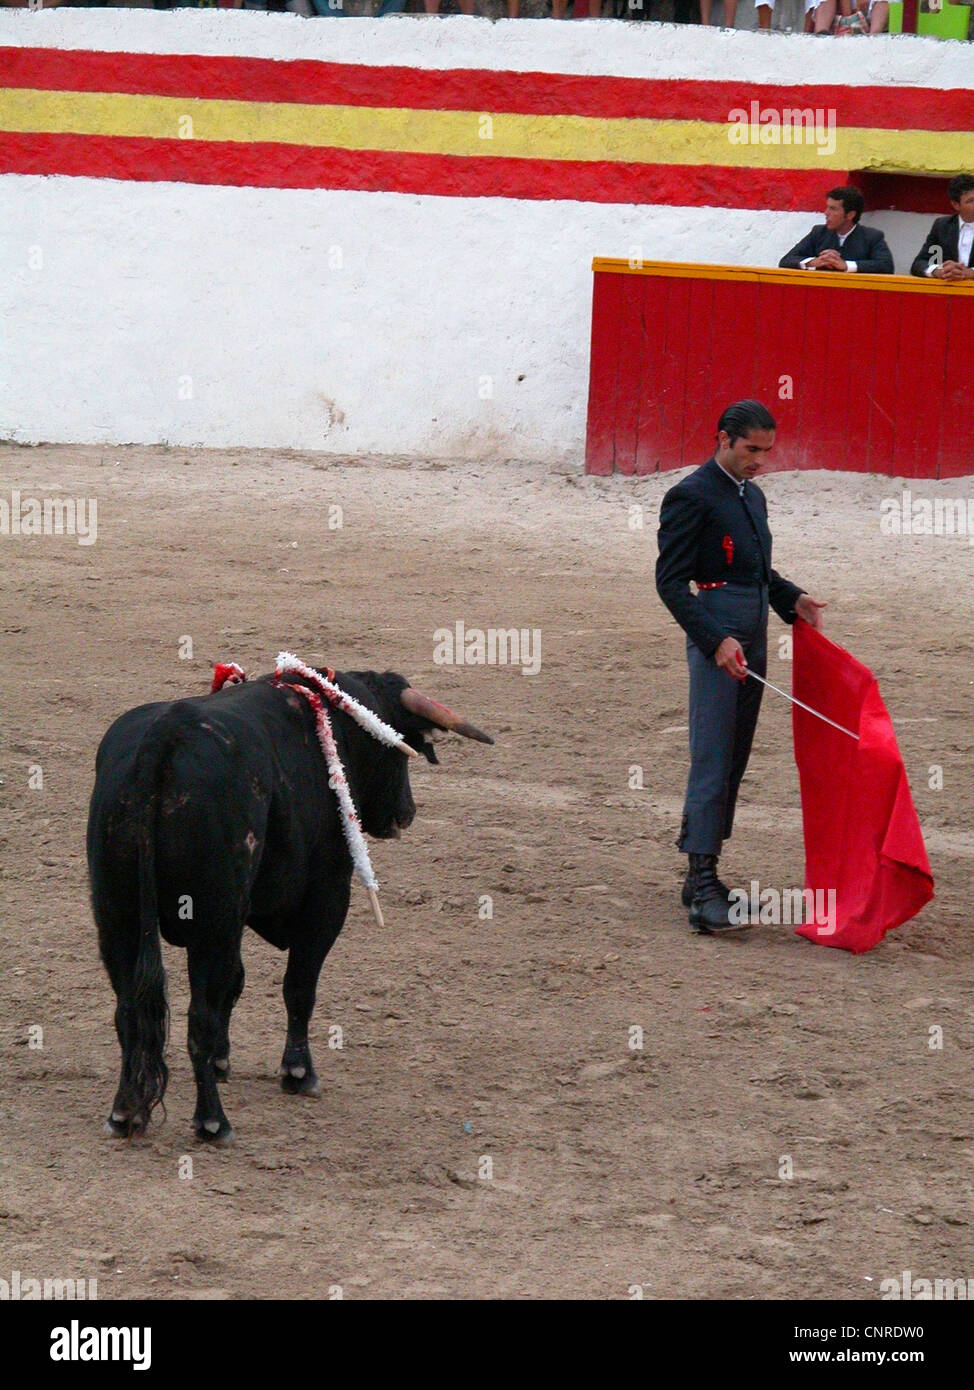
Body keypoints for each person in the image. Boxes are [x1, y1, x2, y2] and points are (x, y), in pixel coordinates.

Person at [655, 401, 826, 936]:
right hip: (719, 634)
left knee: (734, 755)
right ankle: (703, 887)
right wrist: (712, 642)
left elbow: (755, 571)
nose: (760, 461)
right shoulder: (690, 494)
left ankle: (703, 874)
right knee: (712, 753)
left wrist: (790, 597)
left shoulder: (752, 496)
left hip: (751, 630)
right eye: (751, 450)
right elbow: (669, 582)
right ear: (723, 439)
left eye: (766, 451)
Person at [778, 186, 894, 275]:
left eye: (833, 209)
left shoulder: (871, 236)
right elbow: (786, 260)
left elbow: (886, 266)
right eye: (827, 207)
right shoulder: (818, 232)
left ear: (850, 215)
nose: (826, 213)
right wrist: (813, 262)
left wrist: (846, 265)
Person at [910, 174, 974, 283]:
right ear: (956, 205)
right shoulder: (942, 226)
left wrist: (970, 272)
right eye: (971, 201)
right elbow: (919, 263)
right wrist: (939, 271)